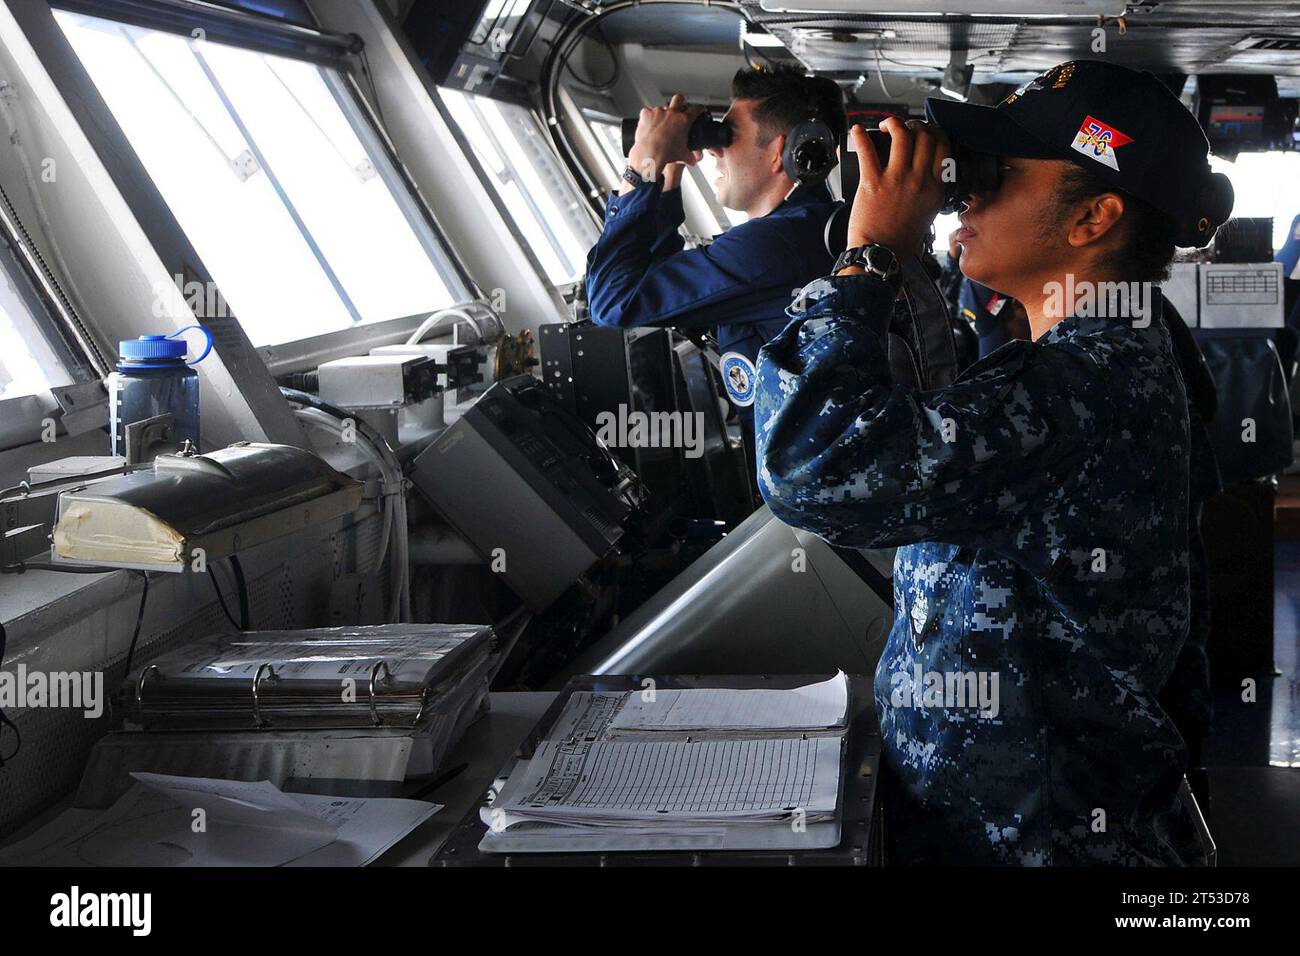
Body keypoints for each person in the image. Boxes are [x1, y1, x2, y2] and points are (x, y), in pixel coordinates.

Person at [754, 59, 1232, 864]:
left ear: (1094, 218)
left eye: (997, 174)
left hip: (1038, 843)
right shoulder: (1111, 350)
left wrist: (869, 254)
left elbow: (809, 464)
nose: (963, 192)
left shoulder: (1081, 384)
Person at [584, 64, 846, 468]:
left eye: (727, 135)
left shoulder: (770, 246)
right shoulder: (805, 227)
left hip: (803, 486)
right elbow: (670, 291)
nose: (712, 150)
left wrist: (642, 165)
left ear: (779, 152)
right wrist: (669, 174)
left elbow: (613, 302)